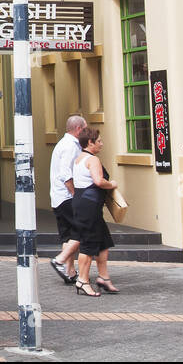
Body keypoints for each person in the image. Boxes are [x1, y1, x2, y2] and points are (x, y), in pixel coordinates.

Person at [71, 127, 120, 296]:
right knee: (88, 244)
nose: (101, 144)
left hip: (83, 204)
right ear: (90, 142)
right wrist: (112, 184)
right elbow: (98, 181)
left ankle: (103, 278)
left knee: (103, 241)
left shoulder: (79, 158)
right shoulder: (92, 160)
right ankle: (82, 281)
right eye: (99, 141)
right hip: (89, 207)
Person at [49, 115, 85, 286]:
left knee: (67, 235)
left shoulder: (63, 144)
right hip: (66, 197)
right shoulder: (70, 146)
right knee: (79, 231)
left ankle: (69, 271)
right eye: (84, 129)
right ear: (78, 129)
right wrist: (75, 194)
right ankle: (61, 261)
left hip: (58, 197)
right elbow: (66, 173)